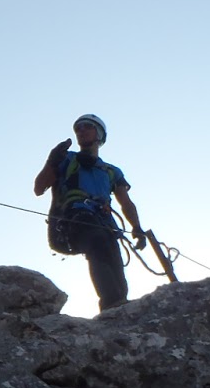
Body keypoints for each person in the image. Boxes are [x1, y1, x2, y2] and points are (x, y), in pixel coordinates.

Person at [33, 113, 146, 312]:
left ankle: (116, 309)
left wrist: (137, 227)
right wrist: (52, 161)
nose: (81, 131)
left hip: (105, 222)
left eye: (87, 126)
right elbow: (39, 188)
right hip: (74, 217)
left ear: (99, 134)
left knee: (114, 262)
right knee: (97, 241)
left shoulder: (111, 171)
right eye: (78, 128)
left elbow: (126, 202)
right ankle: (111, 301)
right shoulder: (66, 159)